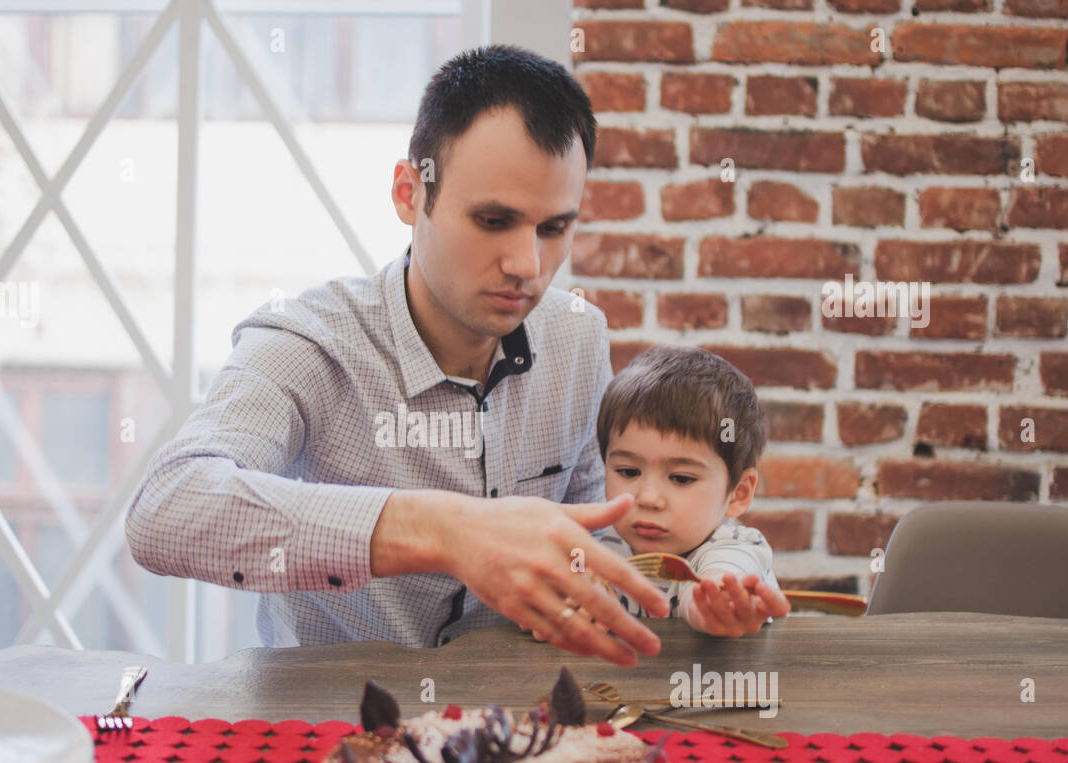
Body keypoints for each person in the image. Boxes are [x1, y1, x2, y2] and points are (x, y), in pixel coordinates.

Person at [125, 44, 670, 667]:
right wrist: (443, 531)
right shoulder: (309, 342)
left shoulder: (579, 338)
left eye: (553, 229)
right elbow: (167, 509)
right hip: (326, 729)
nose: (528, 266)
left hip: (513, 725)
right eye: (493, 220)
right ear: (410, 193)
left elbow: (592, 534)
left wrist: (670, 585)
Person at [593, 346, 793, 637]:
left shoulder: (734, 548)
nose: (648, 498)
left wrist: (711, 604)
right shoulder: (605, 545)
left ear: (738, 493)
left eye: (681, 478)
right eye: (628, 472)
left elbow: (720, 578)